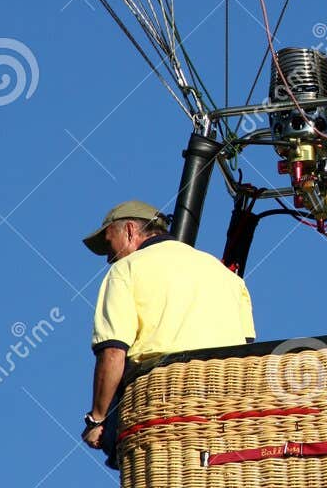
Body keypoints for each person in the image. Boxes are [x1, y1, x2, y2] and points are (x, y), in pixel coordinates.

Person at [81, 200, 255, 466]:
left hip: (164, 400)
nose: (109, 257)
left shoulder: (126, 270)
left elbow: (113, 351)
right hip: (226, 404)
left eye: (109, 243)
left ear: (129, 230)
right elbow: (248, 353)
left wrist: (98, 418)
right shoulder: (226, 275)